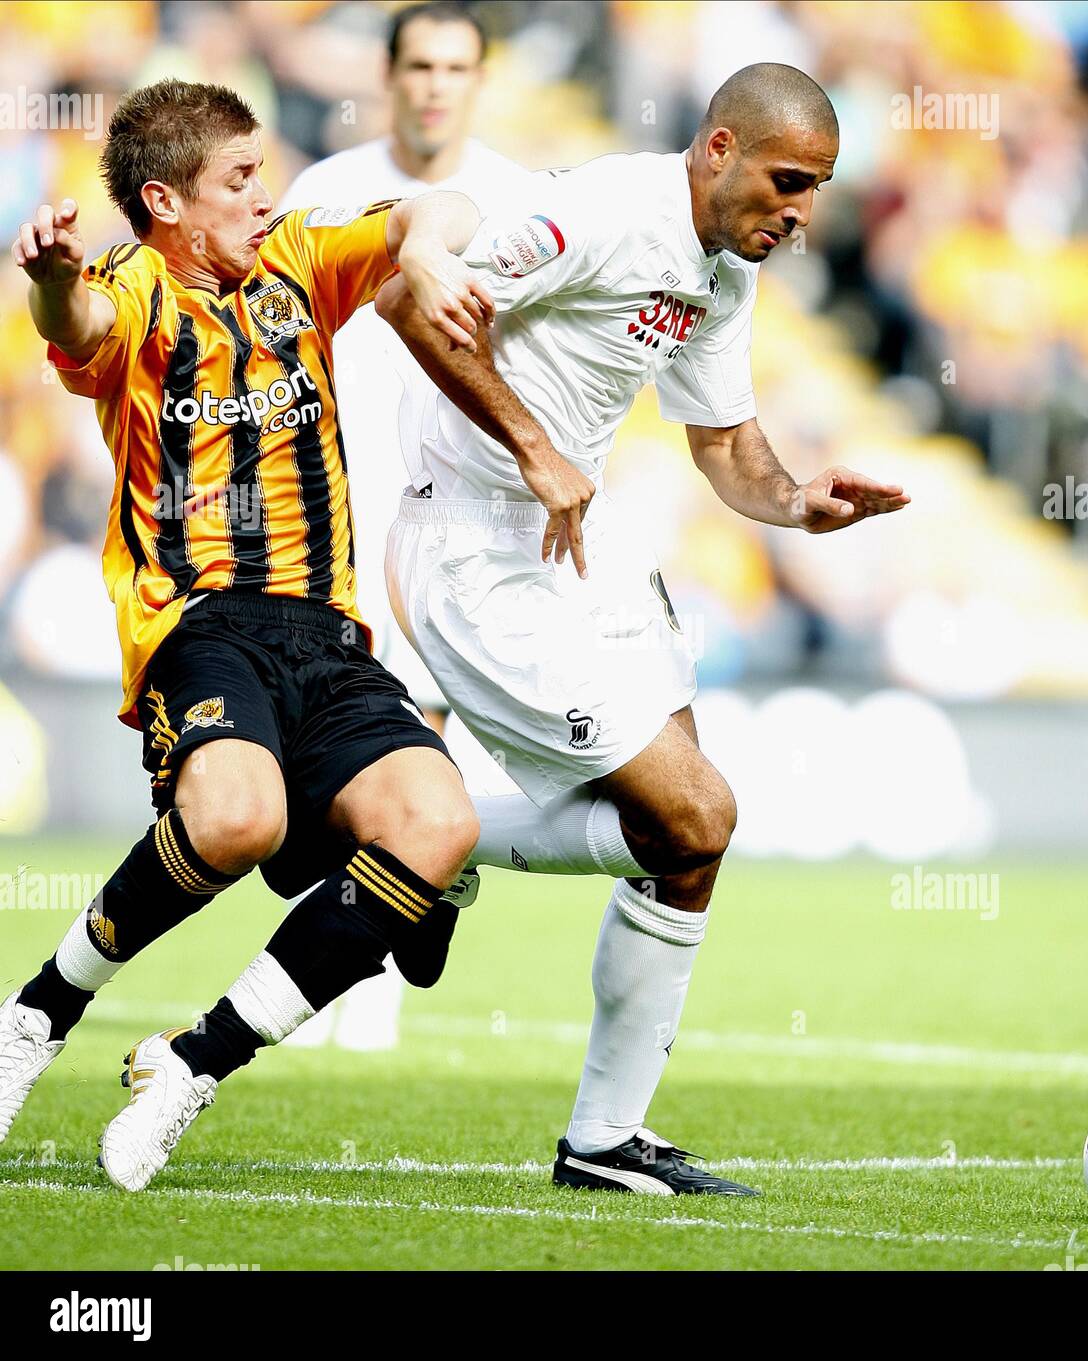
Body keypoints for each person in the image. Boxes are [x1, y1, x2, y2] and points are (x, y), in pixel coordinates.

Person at [130, 63, 910, 1197]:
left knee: (685, 842)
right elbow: (407, 305)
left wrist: (797, 502)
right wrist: (535, 445)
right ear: (719, 147)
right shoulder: (600, 214)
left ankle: (602, 1133)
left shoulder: (722, 271)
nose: (799, 212)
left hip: (576, 544)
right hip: (474, 555)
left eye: (817, 190)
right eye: (788, 181)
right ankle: (411, 845)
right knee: (698, 809)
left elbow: (722, 444)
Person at [0, 77, 488, 1192]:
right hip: (202, 625)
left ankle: (191, 1064)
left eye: (262, 170)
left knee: (437, 825)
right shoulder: (125, 295)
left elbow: (438, 208)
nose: (265, 195)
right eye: (238, 179)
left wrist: (426, 248)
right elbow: (74, 327)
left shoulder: (299, 262)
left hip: (327, 629)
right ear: (166, 202)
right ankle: (36, 1013)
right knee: (236, 816)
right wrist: (47, 283)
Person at [275, 1, 532, 1053]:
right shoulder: (327, 192)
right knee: (337, 755)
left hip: (467, 508)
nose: (435, 84)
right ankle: (415, 904)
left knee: (419, 735)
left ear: (479, 79)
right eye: (418, 64)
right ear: (389, 74)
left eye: (454, 67)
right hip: (339, 505)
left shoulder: (521, 199)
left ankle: (372, 961)